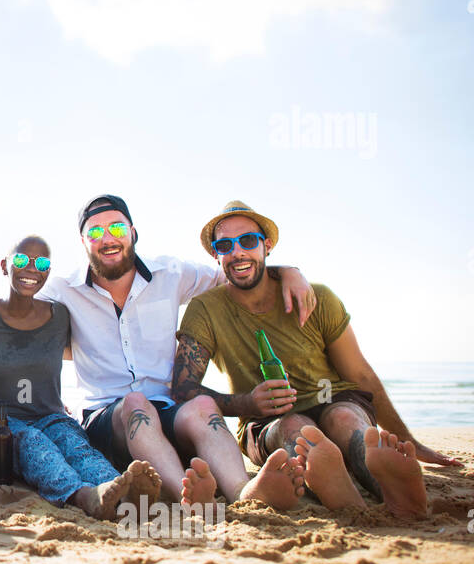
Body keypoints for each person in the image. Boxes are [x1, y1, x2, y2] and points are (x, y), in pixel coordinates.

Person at [171, 201, 461, 518]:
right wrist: (246, 404)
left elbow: (360, 374)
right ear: (216, 255)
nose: (238, 252)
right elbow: (183, 389)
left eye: (248, 241)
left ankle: (391, 488)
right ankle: (339, 487)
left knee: (345, 420)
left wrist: (409, 440)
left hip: (337, 398)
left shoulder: (317, 296)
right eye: (225, 245)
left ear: (266, 245)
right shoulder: (205, 309)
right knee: (297, 427)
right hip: (267, 422)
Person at [40, 193, 314, 509]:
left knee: (202, 405)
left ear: (132, 232)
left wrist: (287, 271)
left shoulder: (170, 273)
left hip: (167, 413)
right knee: (136, 403)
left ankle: (243, 493)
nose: (107, 238)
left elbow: (236, 273)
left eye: (116, 228)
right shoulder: (63, 289)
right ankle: (183, 497)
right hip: (106, 419)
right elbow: (21, 322)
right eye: (95, 232)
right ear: (83, 242)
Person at [0, 235, 161, 519]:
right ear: (5, 265)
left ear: (48, 272)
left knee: (74, 444)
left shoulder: (60, 317)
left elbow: (99, 348)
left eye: (41, 263)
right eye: (20, 260)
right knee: (32, 441)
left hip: (50, 414)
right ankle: (84, 496)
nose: (31, 268)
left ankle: (120, 489)